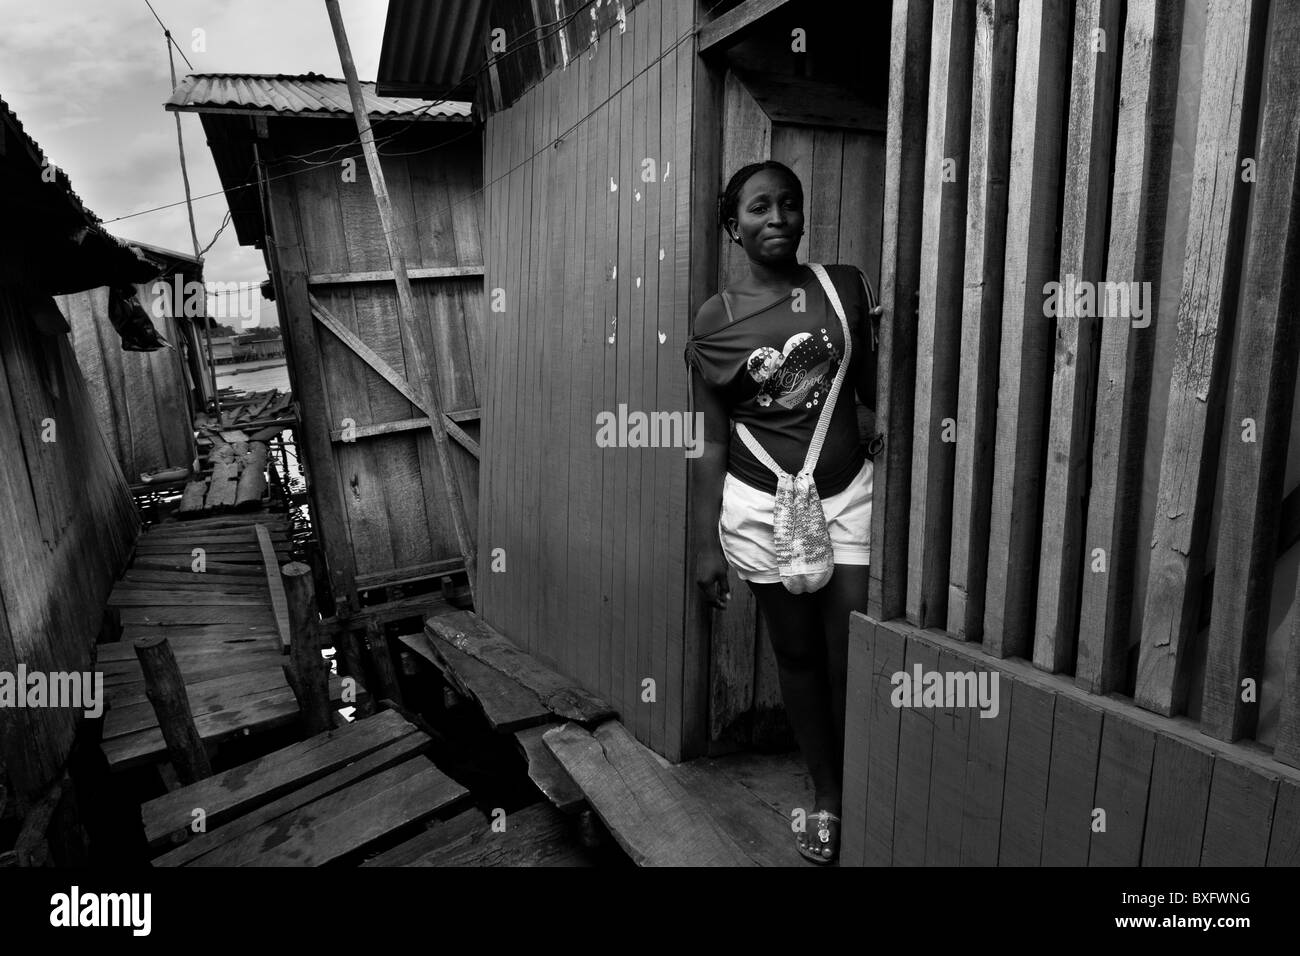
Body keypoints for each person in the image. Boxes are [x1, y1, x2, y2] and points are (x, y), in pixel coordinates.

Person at [683, 160, 880, 864]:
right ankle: (827, 797)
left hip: (846, 495)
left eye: (789, 205)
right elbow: (708, 439)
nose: (778, 219)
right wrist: (705, 546)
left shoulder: (844, 286)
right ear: (732, 225)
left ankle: (871, 792)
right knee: (796, 656)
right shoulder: (716, 320)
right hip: (759, 506)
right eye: (760, 208)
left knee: (850, 648)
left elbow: (873, 386)